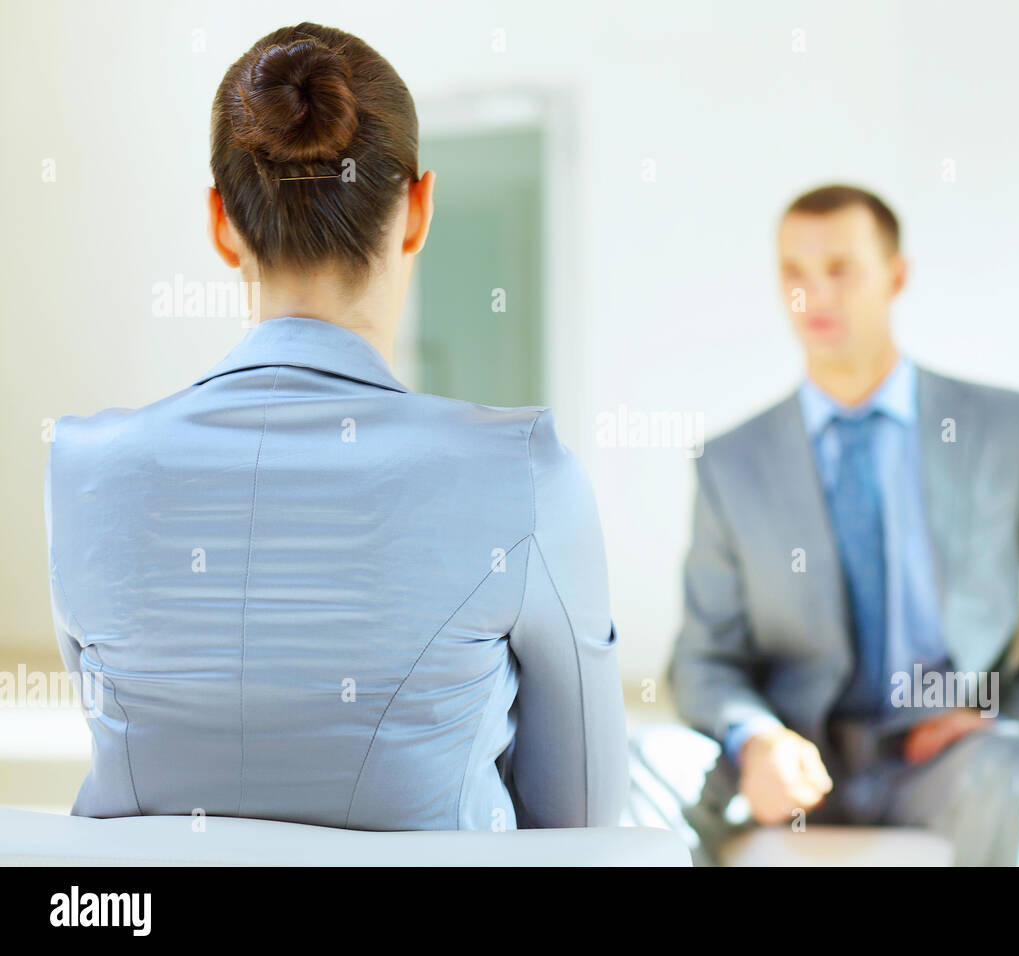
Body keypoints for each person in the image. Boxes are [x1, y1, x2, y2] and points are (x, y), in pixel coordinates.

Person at [43, 23, 626, 831]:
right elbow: (583, 827)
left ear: (220, 223)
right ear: (418, 211)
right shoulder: (528, 470)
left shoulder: (80, 466)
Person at [643, 184, 1019, 865]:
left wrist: (1010, 718)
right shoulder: (733, 464)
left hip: (944, 760)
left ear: (896, 276)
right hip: (794, 763)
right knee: (637, 768)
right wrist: (753, 736)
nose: (813, 295)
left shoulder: (999, 430)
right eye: (794, 273)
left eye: (840, 269)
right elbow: (703, 659)